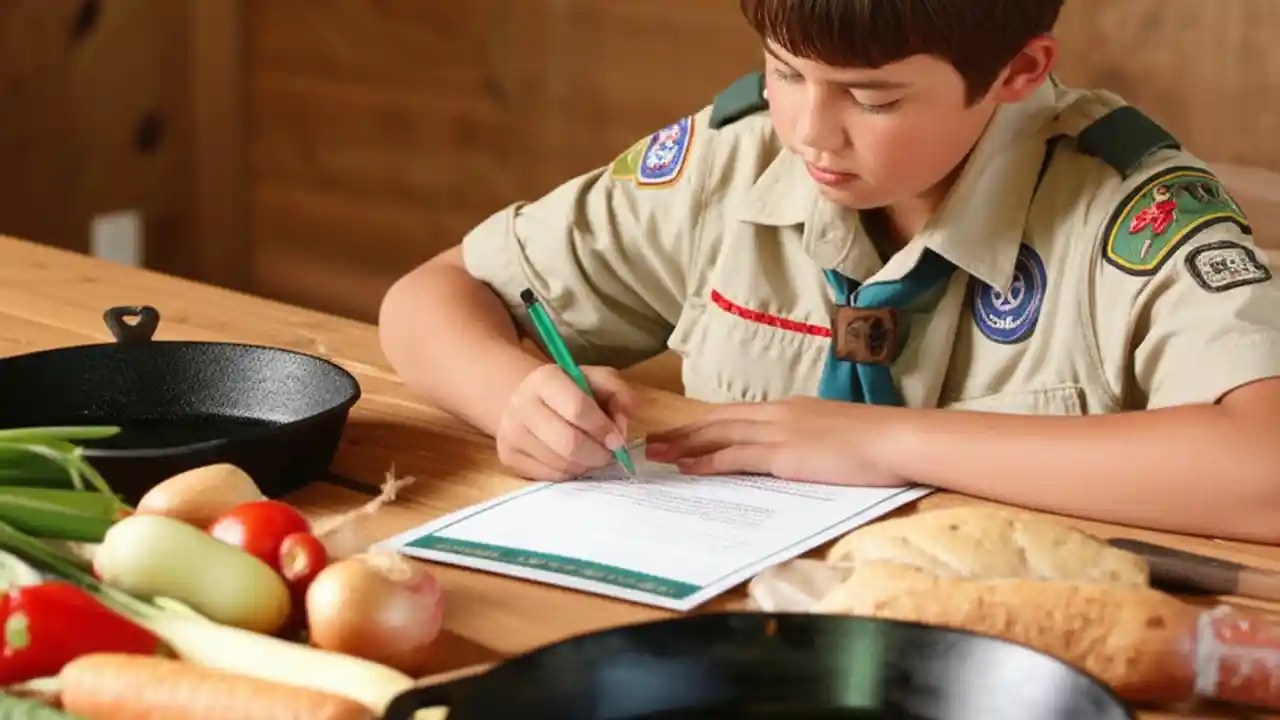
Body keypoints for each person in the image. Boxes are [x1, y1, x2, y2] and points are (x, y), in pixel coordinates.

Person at [379, 0, 1280, 543]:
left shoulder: (1128, 206)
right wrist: (513, 398)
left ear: (1019, 70)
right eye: (783, 72)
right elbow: (429, 297)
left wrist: (884, 442)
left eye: (872, 97)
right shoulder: (736, 159)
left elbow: (1266, 469)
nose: (810, 131)